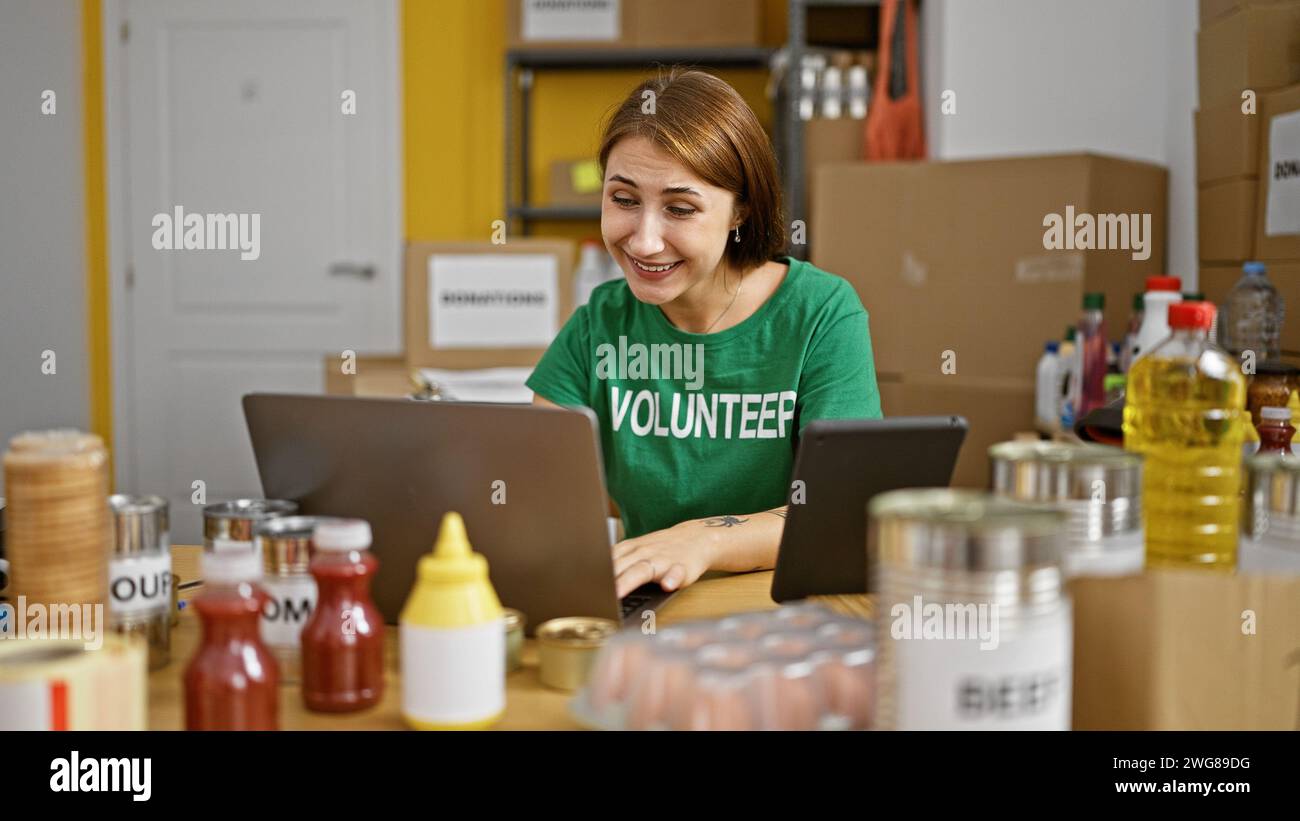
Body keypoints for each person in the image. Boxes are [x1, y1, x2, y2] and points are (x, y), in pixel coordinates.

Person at [527, 69, 881, 598]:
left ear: (740, 209)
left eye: (680, 209)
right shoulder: (598, 325)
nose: (644, 241)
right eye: (623, 199)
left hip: (781, 612)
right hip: (652, 615)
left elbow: (844, 511)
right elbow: (539, 492)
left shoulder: (822, 313)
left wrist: (701, 541)